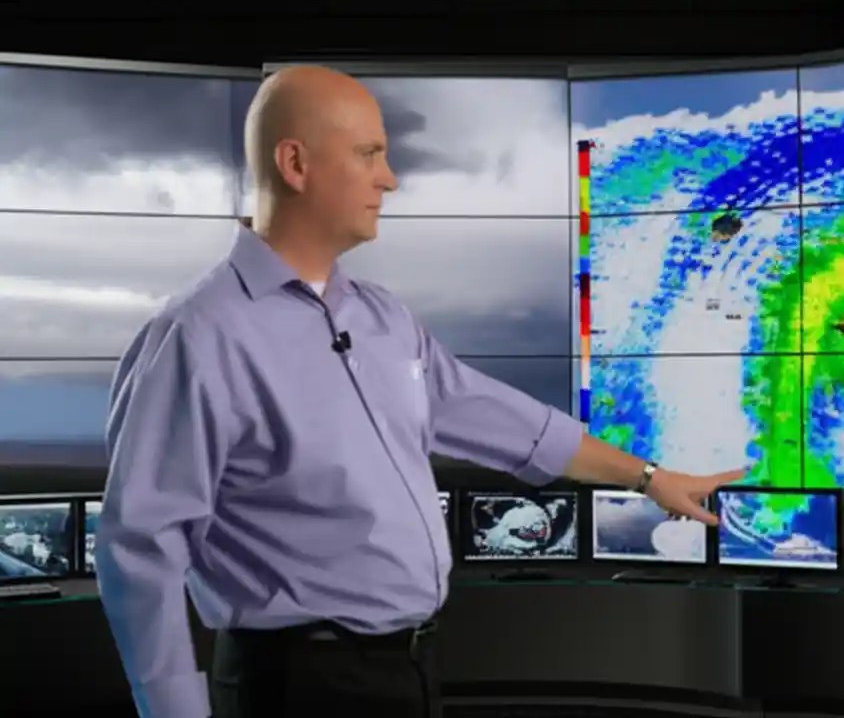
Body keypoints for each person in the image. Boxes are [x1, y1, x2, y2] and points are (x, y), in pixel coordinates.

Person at [97, 64, 745, 718]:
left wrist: (649, 477)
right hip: (296, 688)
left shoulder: (380, 317)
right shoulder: (198, 337)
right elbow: (138, 554)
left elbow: (505, 422)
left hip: (406, 672)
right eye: (369, 153)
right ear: (295, 164)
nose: (390, 177)